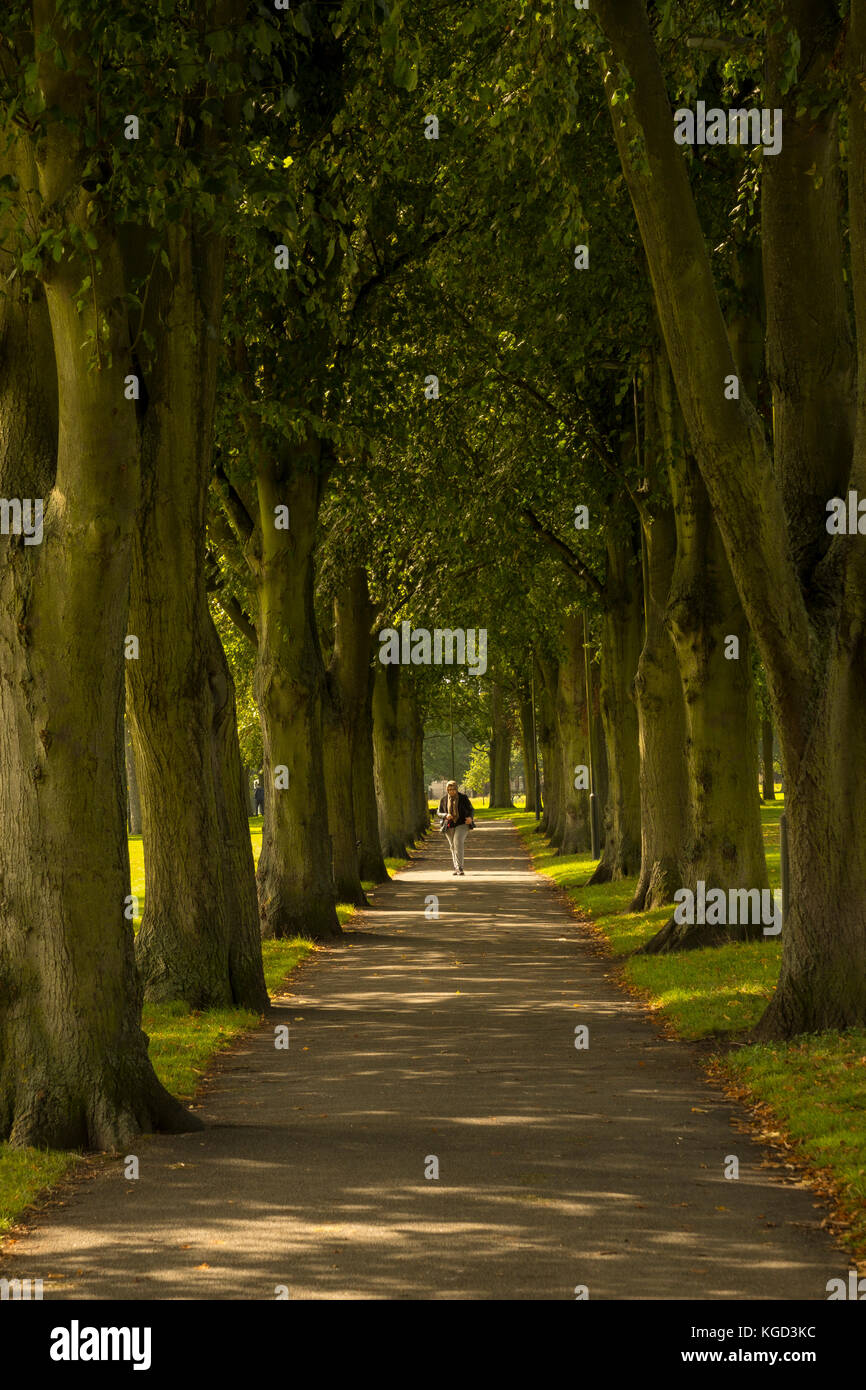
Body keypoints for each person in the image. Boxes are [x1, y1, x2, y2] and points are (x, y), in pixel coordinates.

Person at [438, 779, 475, 876]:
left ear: (456, 789)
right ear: (447, 790)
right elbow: (439, 812)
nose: (451, 791)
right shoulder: (444, 799)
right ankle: (456, 867)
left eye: (453, 789)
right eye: (449, 789)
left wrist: (470, 818)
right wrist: (445, 815)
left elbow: (471, 809)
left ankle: (460, 867)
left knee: (458, 842)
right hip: (449, 825)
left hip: (462, 823)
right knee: (452, 846)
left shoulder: (463, 798)